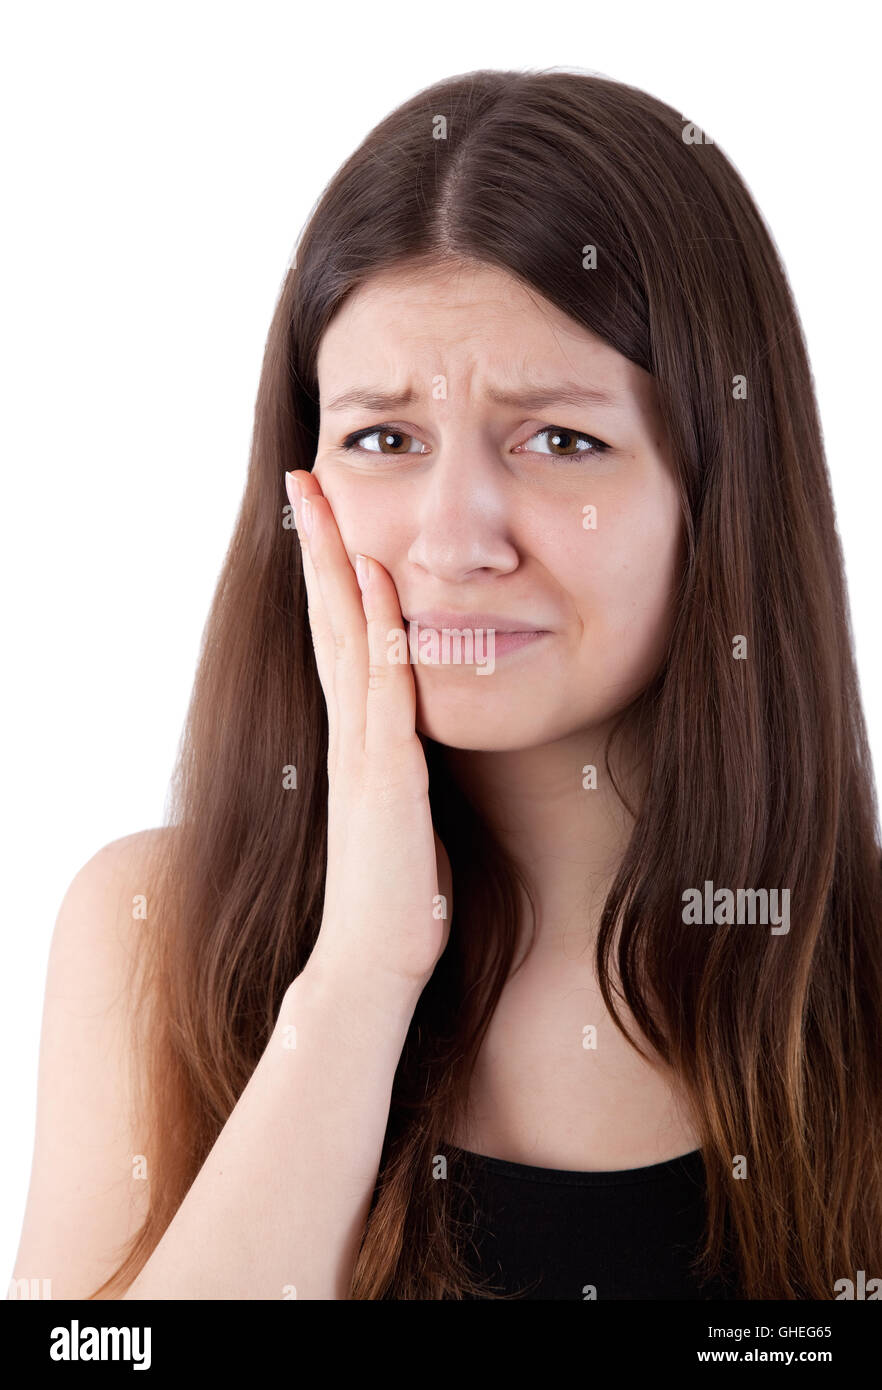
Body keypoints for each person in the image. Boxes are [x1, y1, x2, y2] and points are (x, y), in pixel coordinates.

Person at [11, 67, 882, 1301]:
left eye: (560, 440)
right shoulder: (143, 929)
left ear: (718, 493)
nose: (454, 537)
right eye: (383, 438)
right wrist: (362, 971)